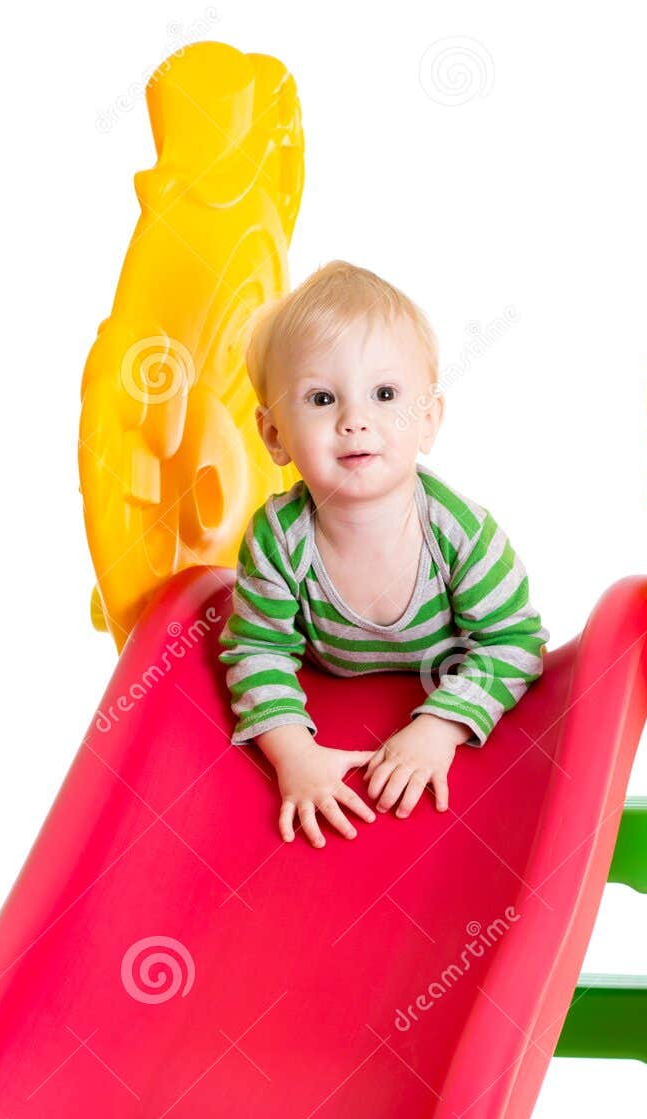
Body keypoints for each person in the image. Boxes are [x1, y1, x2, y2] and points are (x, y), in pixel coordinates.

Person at [219, 260, 549, 847]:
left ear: (427, 421)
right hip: (333, 711)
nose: (355, 421)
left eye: (385, 394)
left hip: (449, 708)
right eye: (321, 398)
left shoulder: (460, 532)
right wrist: (293, 753)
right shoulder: (277, 540)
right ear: (273, 435)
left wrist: (440, 727)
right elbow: (256, 648)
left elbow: (514, 642)